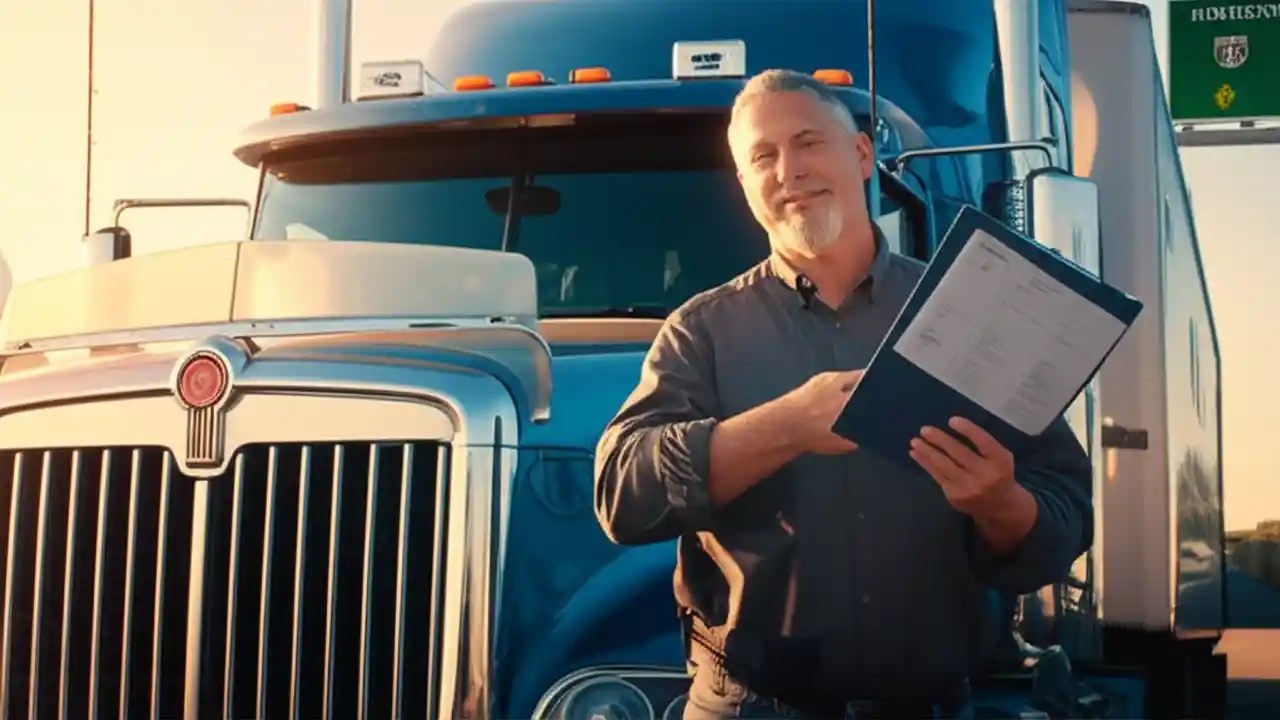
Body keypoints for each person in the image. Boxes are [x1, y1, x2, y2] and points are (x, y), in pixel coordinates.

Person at [593, 69, 1094, 719]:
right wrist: (788, 424)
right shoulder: (700, 330)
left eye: (808, 142)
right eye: (762, 157)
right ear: (745, 186)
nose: (789, 170)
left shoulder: (970, 315)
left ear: (862, 156)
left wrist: (1002, 503)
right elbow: (621, 497)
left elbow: (1064, 512)